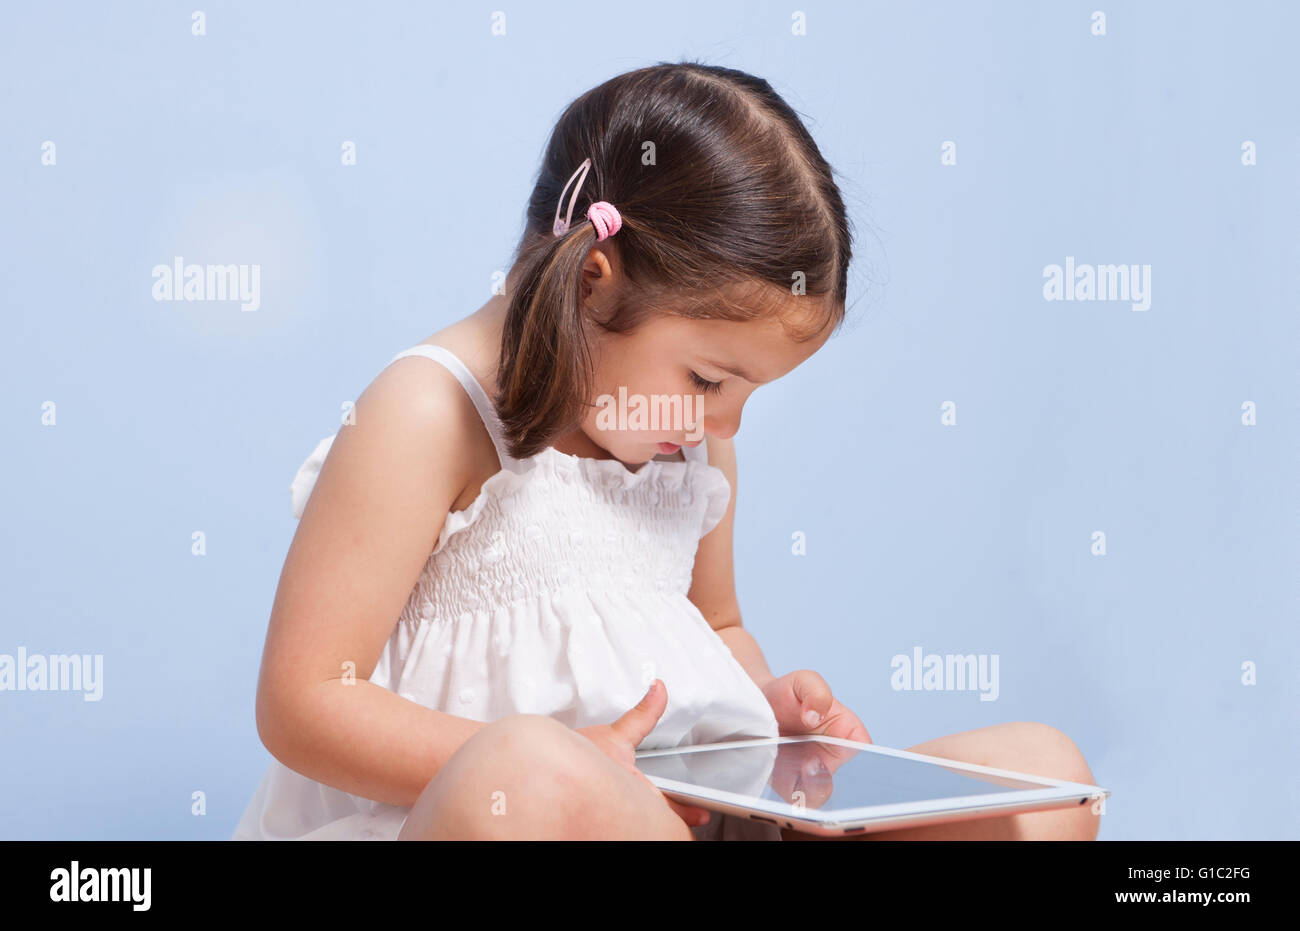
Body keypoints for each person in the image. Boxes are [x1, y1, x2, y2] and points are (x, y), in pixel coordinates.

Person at [234, 61, 1098, 841]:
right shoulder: (428, 415)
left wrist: (765, 721)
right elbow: (305, 702)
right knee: (529, 772)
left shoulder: (690, 446)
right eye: (710, 378)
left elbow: (718, 625)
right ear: (588, 283)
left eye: (750, 393)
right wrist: (575, 765)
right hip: (491, 819)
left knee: (1046, 777)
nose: (725, 426)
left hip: (682, 821)